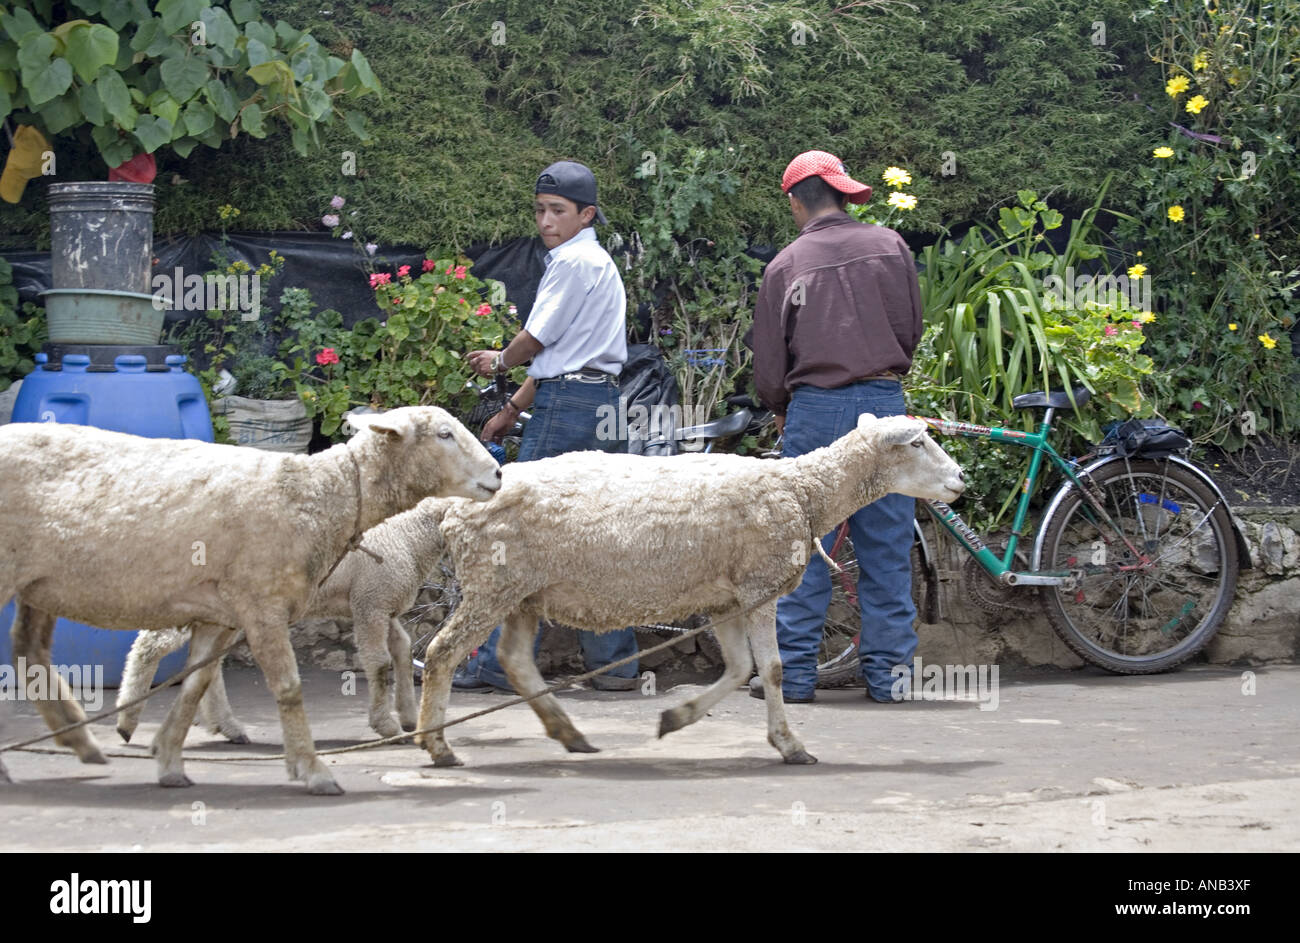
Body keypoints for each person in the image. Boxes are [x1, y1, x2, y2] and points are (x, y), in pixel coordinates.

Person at [452, 159, 641, 693]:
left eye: (558, 211)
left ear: (587, 214)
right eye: (539, 210)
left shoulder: (573, 262)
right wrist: (512, 410)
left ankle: (497, 664)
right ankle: (614, 666)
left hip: (566, 408)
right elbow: (565, 355)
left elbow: (535, 341)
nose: (545, 221)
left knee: (518, 535)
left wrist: (498, 362)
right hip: (597, 401)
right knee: (596, 537)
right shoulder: (595, 261)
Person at [747, 150, 924, 704]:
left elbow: (770, 363)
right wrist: (884, 383)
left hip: (815, 411)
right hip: (884, 406)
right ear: (844, 194)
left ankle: (795, 680)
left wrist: (781, 407)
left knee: (804, 549)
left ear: (796, 202)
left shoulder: (785, 266)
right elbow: (909, 328)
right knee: (886, 550)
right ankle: (890, 682)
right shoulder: (890, 246)